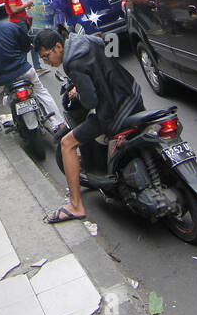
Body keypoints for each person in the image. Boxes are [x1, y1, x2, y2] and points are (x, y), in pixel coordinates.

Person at [34, 30, 144, 223]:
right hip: (132, 95)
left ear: (58, 47)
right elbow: (106, 51)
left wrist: (79, 92)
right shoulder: (84, 40)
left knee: (67, 143)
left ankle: (76, 205)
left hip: (114, 111)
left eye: (46, 56)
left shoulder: (72, 63)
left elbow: (90, 101)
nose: (46, 62)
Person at [0, 0, 61, 135]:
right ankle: (59, 123)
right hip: (25, 72)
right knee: (41, 91)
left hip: (1, 80)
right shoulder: (11, 26)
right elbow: (26, 46)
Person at [0, 0, 38, 72]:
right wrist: (27, 4)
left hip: (19, 21)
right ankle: (26, 69)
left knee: (29, 44)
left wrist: (25, 6)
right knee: (26, 46)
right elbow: (14, 9)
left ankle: (35, 67)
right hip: (19, 23)